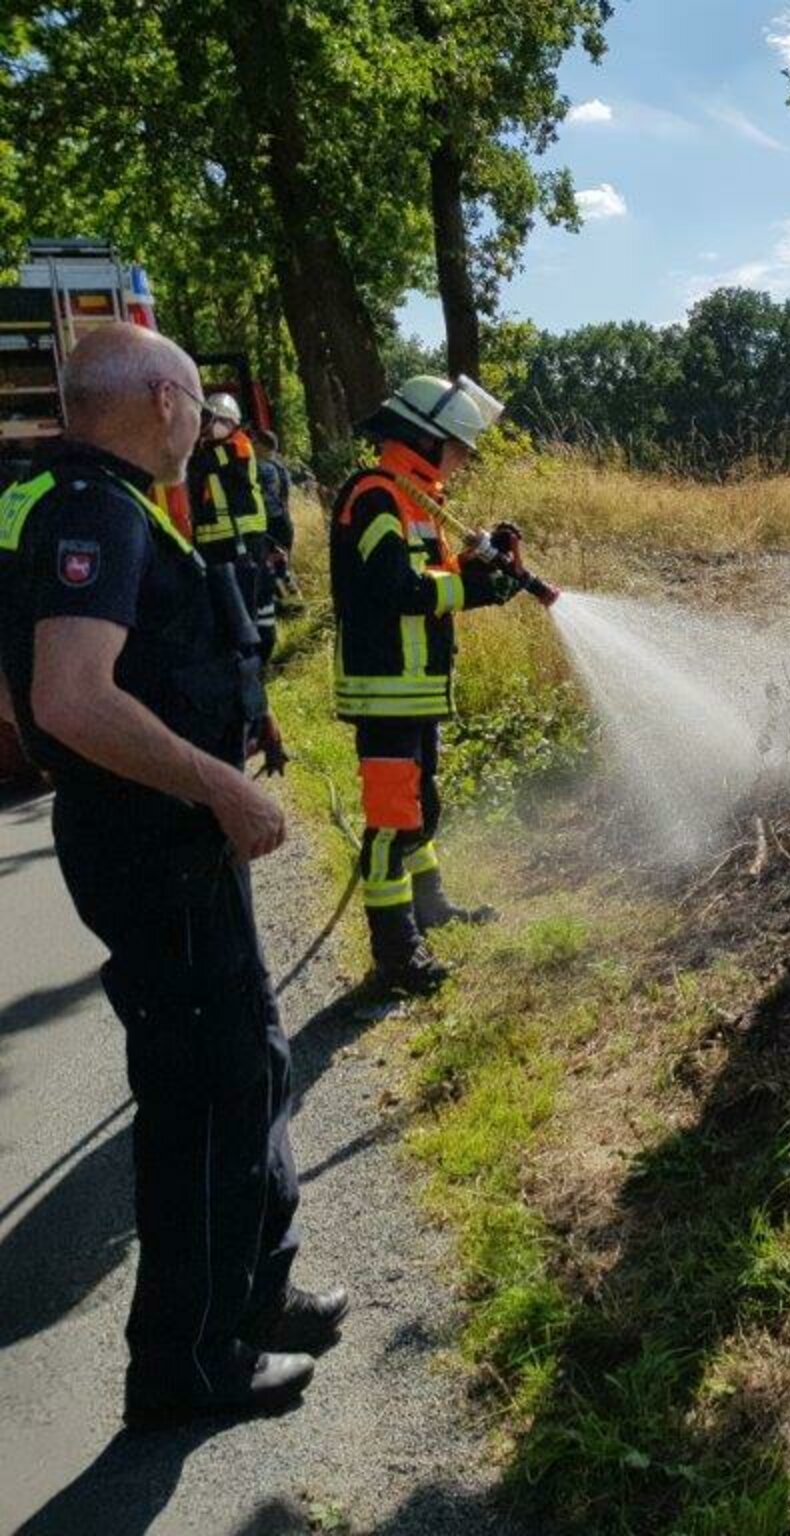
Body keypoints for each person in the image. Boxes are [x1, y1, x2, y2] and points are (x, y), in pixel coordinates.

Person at [0, 323, 345, 1427]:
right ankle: (188, 1369)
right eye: (198, 403)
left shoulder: (54, 498)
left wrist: (236, 720)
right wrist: (219, 786)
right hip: (158, 846)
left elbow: (38, 684)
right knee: (205, 1096)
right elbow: (69, 698)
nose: (204, 423)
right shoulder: (97, 508)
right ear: (159, 399)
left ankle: (255, 1294)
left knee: (252, 1062)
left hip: (158, 835)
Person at [329, 374, 518, 993]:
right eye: (458, 445)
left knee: (418, 808)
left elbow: (430, 576)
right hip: (385, 691)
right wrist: (476, 590)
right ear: (424, 438)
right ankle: (395, 957)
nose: (464, 458)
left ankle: (430, 907)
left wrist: (481, 564)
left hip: (412, 689)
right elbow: (394, 590)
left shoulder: (412, 496)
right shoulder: (376, 497)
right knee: (390, 823)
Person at [186, 391, 278, 662]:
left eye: (209, 418)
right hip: (216, 542)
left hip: (241, 540)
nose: (204, 424)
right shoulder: (210, 448)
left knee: (246, 602)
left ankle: (255, 654)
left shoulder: (237, 446)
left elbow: (201, 466)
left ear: (227, 422)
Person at [253, 426, 299, 614]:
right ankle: (294, 604)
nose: (252, 445)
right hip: (284, 520)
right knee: (284, 566)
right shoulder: (280, 467)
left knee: (275, 568)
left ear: (263, 446)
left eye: (255, 442)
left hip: (272, 523)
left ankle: (288, 608)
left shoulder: (262, 468)